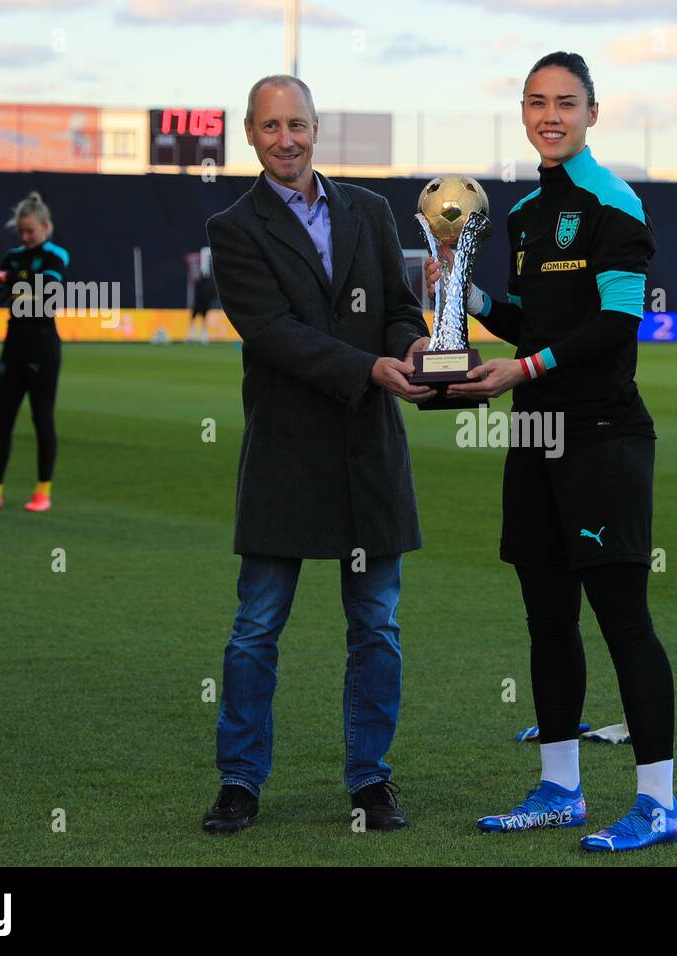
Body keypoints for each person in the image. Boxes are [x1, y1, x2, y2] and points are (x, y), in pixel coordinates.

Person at [435, 51, 677, 852]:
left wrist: (528, 367)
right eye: (538, 102)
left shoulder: (615, 202)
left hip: (603, 437)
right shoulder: (528, 214)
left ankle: (658, 803)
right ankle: (559, 788)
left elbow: (616, 322)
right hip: (535, 437)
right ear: (524, 112)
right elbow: (533, 322)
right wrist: (461, 293)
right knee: (547, 621)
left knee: (624, 622)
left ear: (592, 114)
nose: (551, 115)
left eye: (566, 103)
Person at [200, 74, 434, 835]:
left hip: (369, 454)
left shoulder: (368, 210)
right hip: (286, 457)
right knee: (256, 628)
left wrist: (419, 346)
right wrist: (371, 368)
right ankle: (240, 780)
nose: (286, 140)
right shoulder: (234, 227)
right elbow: (272, 333)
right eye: (270, 128)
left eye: (296, 124)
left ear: (315, 126)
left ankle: (370, 781)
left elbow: (398, 313)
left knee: (377, 627)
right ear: (250, 134)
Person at [0, 192, 68, 513]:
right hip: (14, 345)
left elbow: (47, 287)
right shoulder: (13, 257)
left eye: (30, 231)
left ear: (45, 227)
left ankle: (43, 491)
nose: (25, 236)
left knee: (42, 418)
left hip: (43, 346)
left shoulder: (55, 255)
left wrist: (10, 279)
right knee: (2, 421)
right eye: (21, 231)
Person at [187, 262, 216, 344]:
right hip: (203, 305)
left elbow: (197, 294)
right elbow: (212, 294)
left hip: (199, 304)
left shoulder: (198, 282)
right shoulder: (209, 282)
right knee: (202, 321)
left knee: (194, 321)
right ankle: (201, 338)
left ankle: (192, 337)